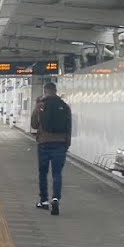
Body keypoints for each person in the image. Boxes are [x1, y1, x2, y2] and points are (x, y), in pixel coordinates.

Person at [30, 81, 72, 215]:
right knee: (57, 173)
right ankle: (55, 199)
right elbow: (69, 127)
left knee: (43, 173)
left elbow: (34, 125)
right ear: (55, 90)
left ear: (45, 91)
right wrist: (67, 144)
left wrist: (37, 108)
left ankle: (44, 201)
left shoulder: (41, 105)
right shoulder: (64, 106)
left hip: (44, 143)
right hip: (60, 144)